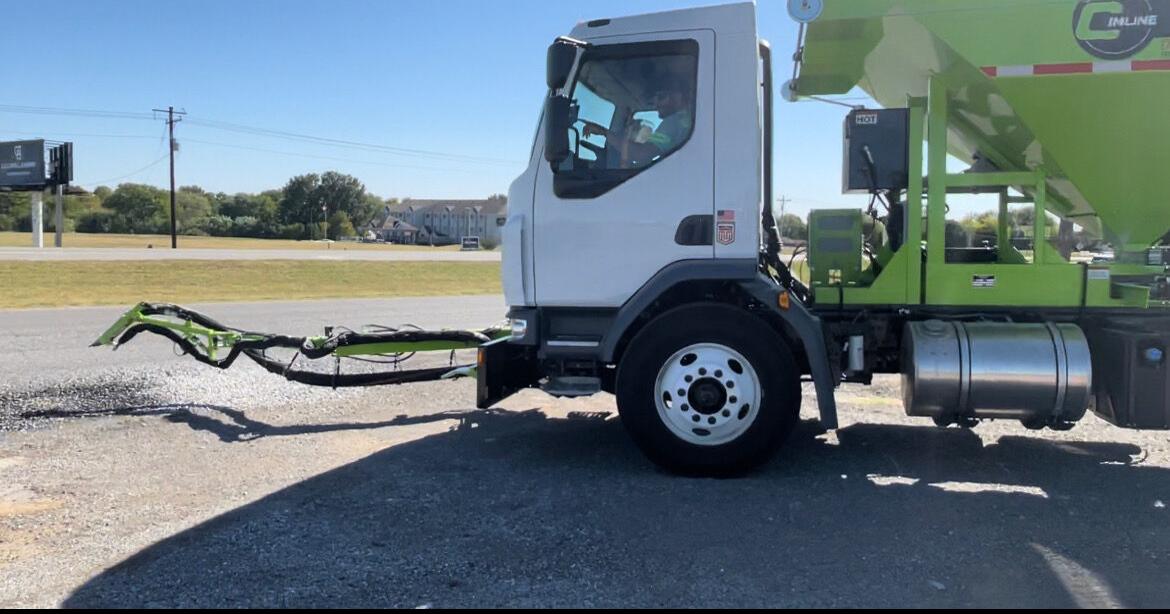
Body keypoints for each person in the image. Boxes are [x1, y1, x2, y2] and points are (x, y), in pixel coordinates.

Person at [583, 83, 693, 167]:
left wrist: (603, 132)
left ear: (678, 97)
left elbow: (641, 154)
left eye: (661, 97)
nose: (656, 104)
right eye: (654, 100)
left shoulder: (674, 121)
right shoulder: (687, 120)